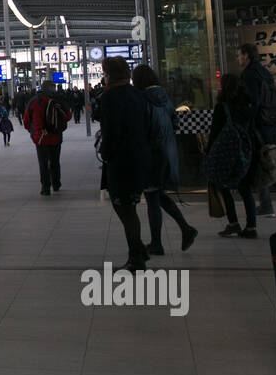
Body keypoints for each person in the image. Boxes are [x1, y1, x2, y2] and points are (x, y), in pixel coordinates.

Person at [133, 64, 198, 254]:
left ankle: (157, 243)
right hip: (168, 152)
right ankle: (186, 229)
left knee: (153, 198)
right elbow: (175, 123)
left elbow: (141, 129)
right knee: (159, 195)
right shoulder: (165, 98)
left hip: (152, 156)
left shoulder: (143, 100)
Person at [97, 57, 154, 271]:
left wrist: (106, 153)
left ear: (109, 74)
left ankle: (137, 257)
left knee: (124, 209)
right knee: (129, 207)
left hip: (121, 161)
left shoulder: (110, 97)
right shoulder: (137, 94)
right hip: (140, 157)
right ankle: (139, 252)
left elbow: (112, 131)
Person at [238, 43, 276, 218]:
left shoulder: (249, 74)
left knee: (259, 161)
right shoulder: (263, 71)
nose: (238, 58)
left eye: (240, 55)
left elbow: (254, 100)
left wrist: (247, 121)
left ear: (247, 55)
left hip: (258, 123)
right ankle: (269, 202)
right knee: (262, 160)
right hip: (268, 121)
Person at [210, 73, 260, 238]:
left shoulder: (222, 107)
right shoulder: (248, 106)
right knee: (245, 189)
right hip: (247, 150)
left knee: (224, 187)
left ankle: (233, 223)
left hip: (227, 153)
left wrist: (209, 153)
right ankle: (251, 227)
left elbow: (215, 132)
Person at [23, 80, 69, 196]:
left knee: (43, 163)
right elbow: (68, 116)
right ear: (52, 88)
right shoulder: (58, 100)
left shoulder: (34, 101)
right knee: (55, 161)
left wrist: (32, 131)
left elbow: (26, 120)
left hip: (40, 138)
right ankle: (56, 183)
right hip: (55, 136)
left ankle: (45, 188)